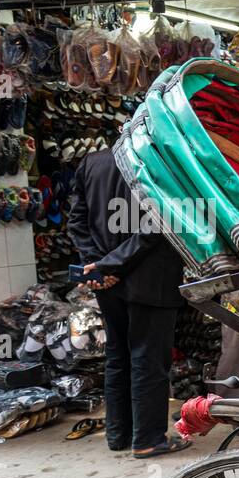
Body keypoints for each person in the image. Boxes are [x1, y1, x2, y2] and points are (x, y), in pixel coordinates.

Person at [68, 149, 190, 456]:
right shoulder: (158, 158)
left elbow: (77, 221)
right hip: (150, 278)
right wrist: (112, 263)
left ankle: (118, 434)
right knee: (148, 357)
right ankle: (149, 439)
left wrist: (97, 264)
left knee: (118, 353)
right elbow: (157, 224)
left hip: (106, 279)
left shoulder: (93, 161)